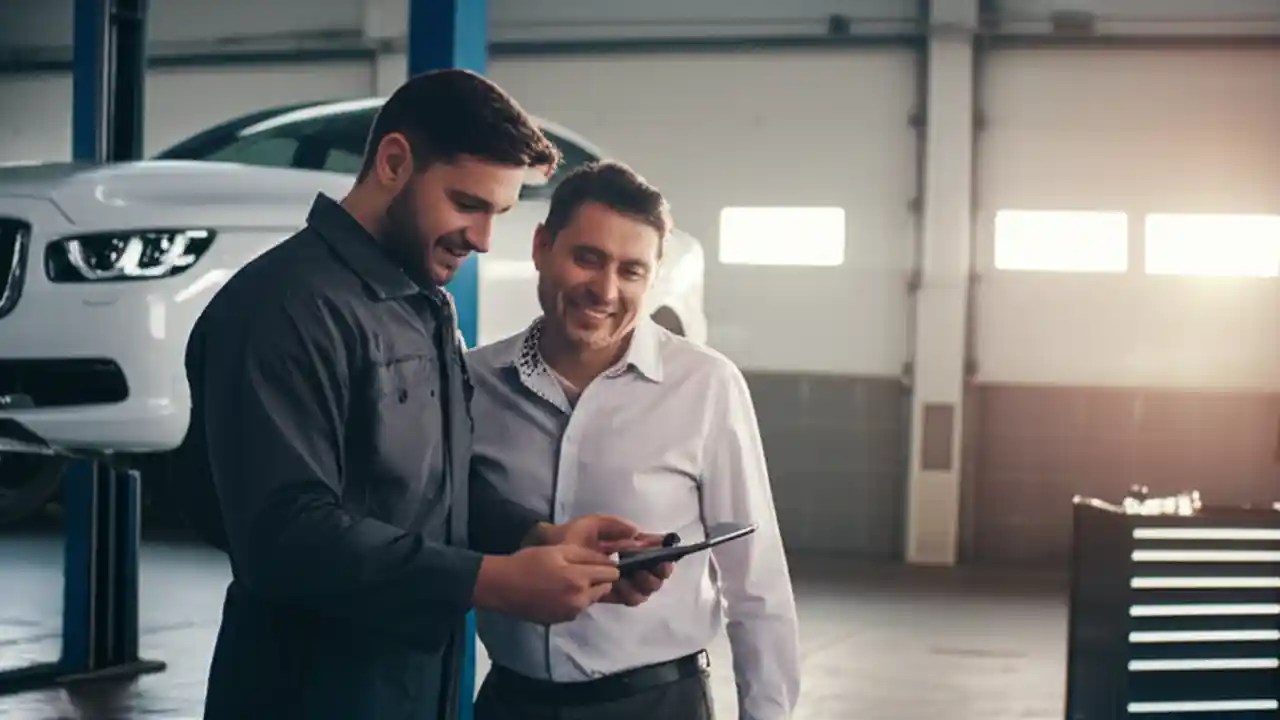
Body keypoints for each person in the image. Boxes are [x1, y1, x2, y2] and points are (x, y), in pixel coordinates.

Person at [179, 70, 666, 720]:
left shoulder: (421, 305)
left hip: (413, 687)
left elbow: (441, 487)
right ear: (393, 162)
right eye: (467, 203)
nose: (486, 239)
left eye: (498, 212)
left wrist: (538, 538)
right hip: (302, 692)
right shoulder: (282, 308)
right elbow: (282, 535)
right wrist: (490, 581)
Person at [466, 161, 802, 720]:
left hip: (657, 704)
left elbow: (756, 582)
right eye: (588, 258)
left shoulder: (704, 385)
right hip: (511, 702)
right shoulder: (473, 383)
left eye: (632, 271)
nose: (605, 289)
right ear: (542, 246)